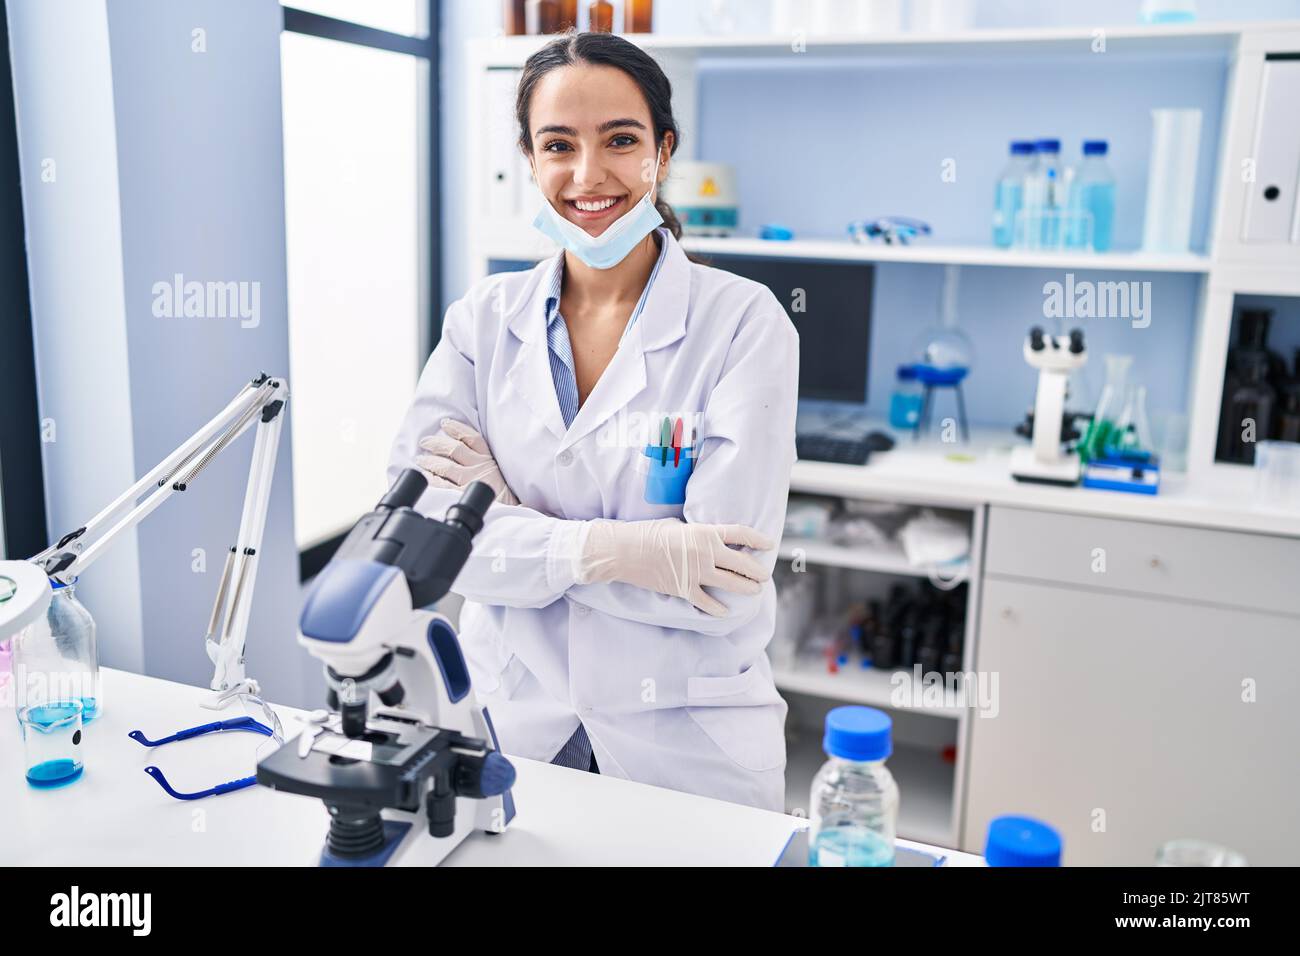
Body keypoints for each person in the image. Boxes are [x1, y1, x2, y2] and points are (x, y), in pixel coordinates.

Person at [387, 31, 799, 811]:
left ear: (662, 152)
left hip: (684, 744)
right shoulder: (482, 323)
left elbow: (724, 583)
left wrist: (508, 525)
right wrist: (626, 548)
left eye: (620, 140)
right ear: (529, 158)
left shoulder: (745, 323)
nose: (588, 174)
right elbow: (421, 546)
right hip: (511, 722)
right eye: (557, 144)